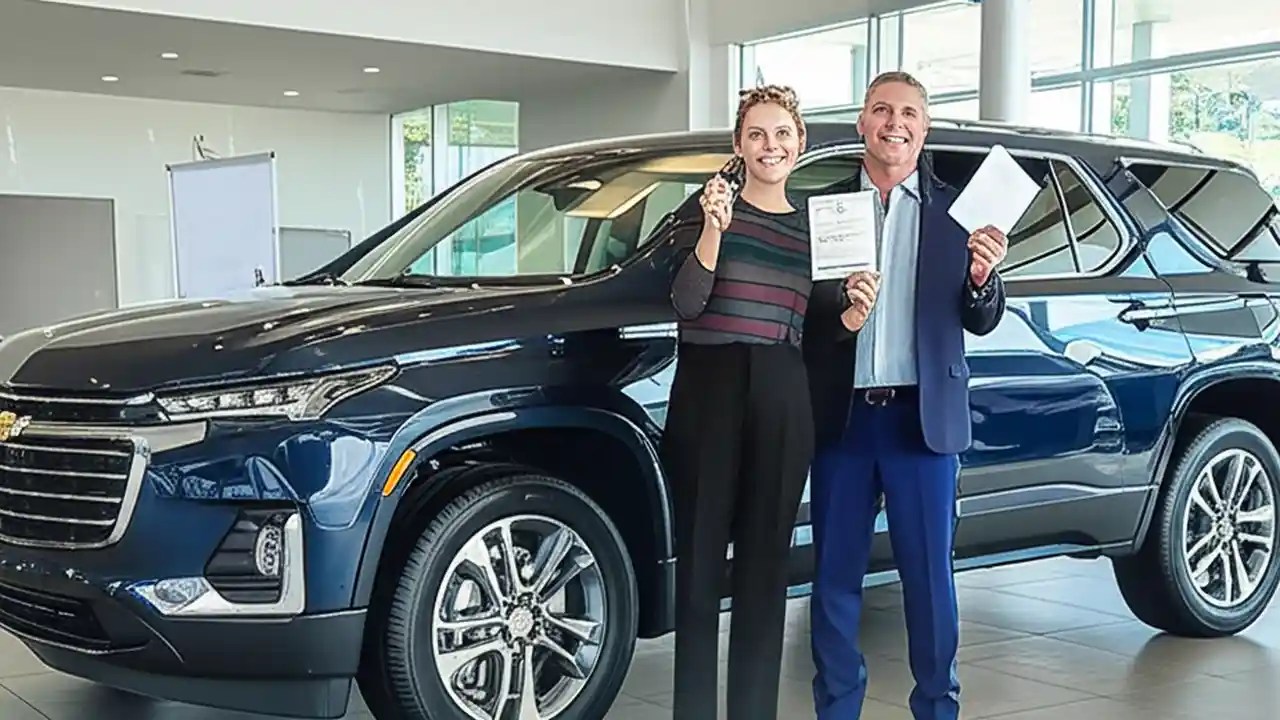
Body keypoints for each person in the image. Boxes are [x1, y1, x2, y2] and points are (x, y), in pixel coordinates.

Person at [662, 84, 880, 720]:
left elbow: (816, 328)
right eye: (757, 134)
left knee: (765, 574)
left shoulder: (817, 229)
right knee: (700, 573)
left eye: (782, 133)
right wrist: (712, 229)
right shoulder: (702, 212)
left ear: (799, 144)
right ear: (739, 145)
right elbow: (686, 303)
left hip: (784, 394)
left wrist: (852, 316)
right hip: (708, 392)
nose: (770, 145)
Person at [801, 70, 1008, 720]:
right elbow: (804, 318)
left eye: (909, 113)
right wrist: (840, 317)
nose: (896, 123)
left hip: (924, 425)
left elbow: (983, 316)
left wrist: (982, 279)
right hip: (844, 423)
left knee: (930, 585)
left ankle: (938, 709)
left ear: (924, 128)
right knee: (833, 584)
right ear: (862, 123)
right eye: (882, 110)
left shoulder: (963, 214)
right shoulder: (826, 212)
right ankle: (836, 709)